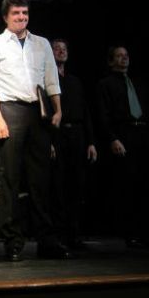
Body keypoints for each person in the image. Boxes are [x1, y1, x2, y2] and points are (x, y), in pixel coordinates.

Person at [0, 0, 72, 261]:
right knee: (9, 177)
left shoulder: (41, 43)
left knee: (41, 179)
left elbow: (51, 78)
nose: (21, 17)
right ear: (5, 17)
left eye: (25, 13)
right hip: (9, 109)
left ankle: (46, 240)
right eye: (16, 13)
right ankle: (12, 241)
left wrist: (58, 109)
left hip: (38, 112)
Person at [96, 44, 149, 247]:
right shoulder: (105, 84)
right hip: (124, 134)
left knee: (146, 183)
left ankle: (147, 232)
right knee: (128, 184)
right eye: (119, 56)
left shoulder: (138, 83)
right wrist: (112, 138)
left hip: (143, 133)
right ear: (111, 61)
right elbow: (103, 114)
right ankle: (130, 232)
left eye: (126, 55)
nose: (124, 58)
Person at [50, 39, 97, 249]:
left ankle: (74, 234)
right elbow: (44, 113)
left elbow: (85, 112)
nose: (61, 51)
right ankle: (60, 234)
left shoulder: (75, 81)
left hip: (77, 135)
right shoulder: (47, 80)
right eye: (57, 48)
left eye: (64, 48)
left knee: (76, 186)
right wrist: (49, 142)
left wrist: (91, 142)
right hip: (58, 135)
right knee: (58, 186)